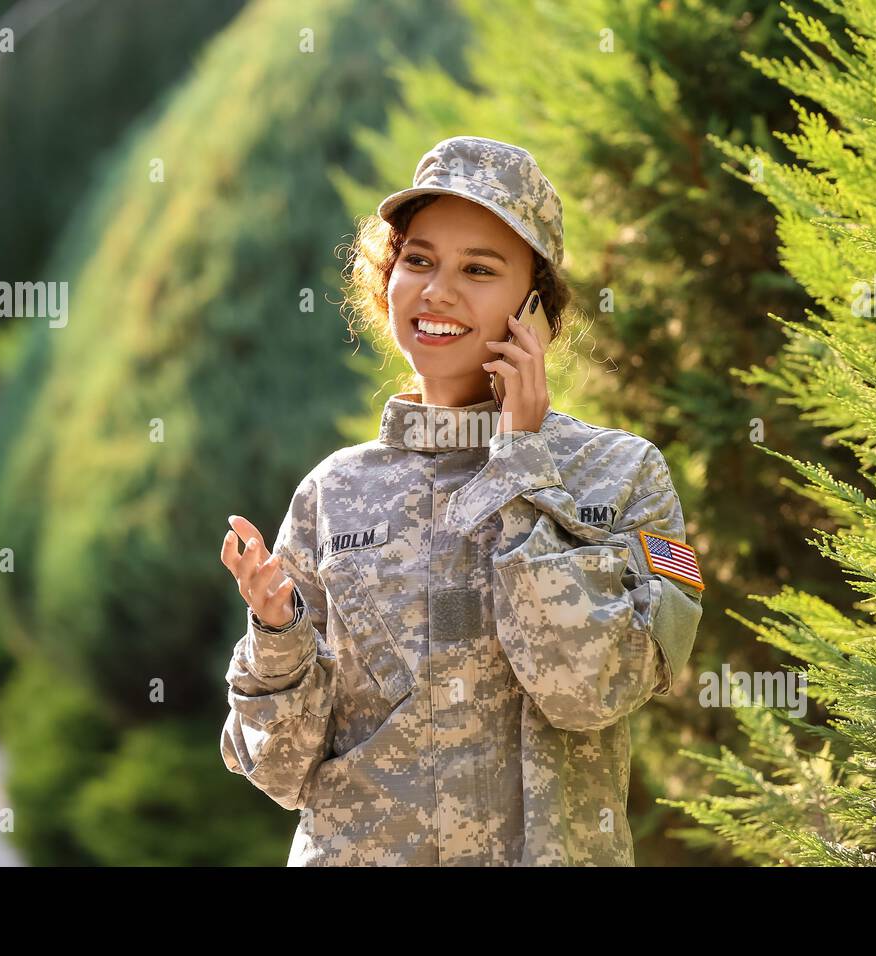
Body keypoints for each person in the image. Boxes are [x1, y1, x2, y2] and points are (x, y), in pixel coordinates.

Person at [218, 135, 705, 866]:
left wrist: (520, 463)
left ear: (536, 307)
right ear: (387, 279)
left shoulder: (623, 476)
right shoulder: (332, 494)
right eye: (418, 260)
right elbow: (282, 772)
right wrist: (277, 631)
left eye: (479, 269)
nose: (438, 291)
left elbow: (587, 690)